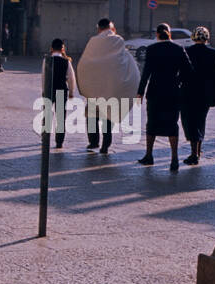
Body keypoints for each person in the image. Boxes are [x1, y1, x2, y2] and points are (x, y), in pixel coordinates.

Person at [136, 23, 194, 172]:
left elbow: (146, 73)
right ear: (169, 34)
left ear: (157, 34)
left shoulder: (152, 49)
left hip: (155, 91)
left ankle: (149, 155)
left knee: (152, 123)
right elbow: (189, 70)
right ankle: (174, 159)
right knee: (172, 124)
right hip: (173, 92)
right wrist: (178, 81)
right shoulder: (178, 49)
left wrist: (140, 92)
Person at [77, 18, 139, 154]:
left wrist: (84, 85)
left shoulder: (93, 41)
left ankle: (93, 142)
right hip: (112, 88)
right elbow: (126, 63)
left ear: (99, 28)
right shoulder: (118, 41)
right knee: (108, 118)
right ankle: (105, 145)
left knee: (92, 116)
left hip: (94, 89)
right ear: (112, 28)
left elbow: (84, 64)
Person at [180, 27, 215, 165]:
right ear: (207, 38)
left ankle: (194, 154)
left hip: (188, 91)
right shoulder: (213, 53)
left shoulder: (187, 51)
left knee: (189, 121)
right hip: (205, 93)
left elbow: (181, 73)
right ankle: (198, 151)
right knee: (200, 120)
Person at [44, 38, 77, 149]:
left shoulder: (47, 60)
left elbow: (43, 77)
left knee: (47, 115)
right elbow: (71, 78)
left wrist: (43, 90)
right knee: (60, 117)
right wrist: (71, 91)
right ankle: (59, 141)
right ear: (62, 49)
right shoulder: (66, 61)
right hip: (61, 91)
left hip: (49, 90)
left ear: (51, 48)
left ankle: (45, 138)